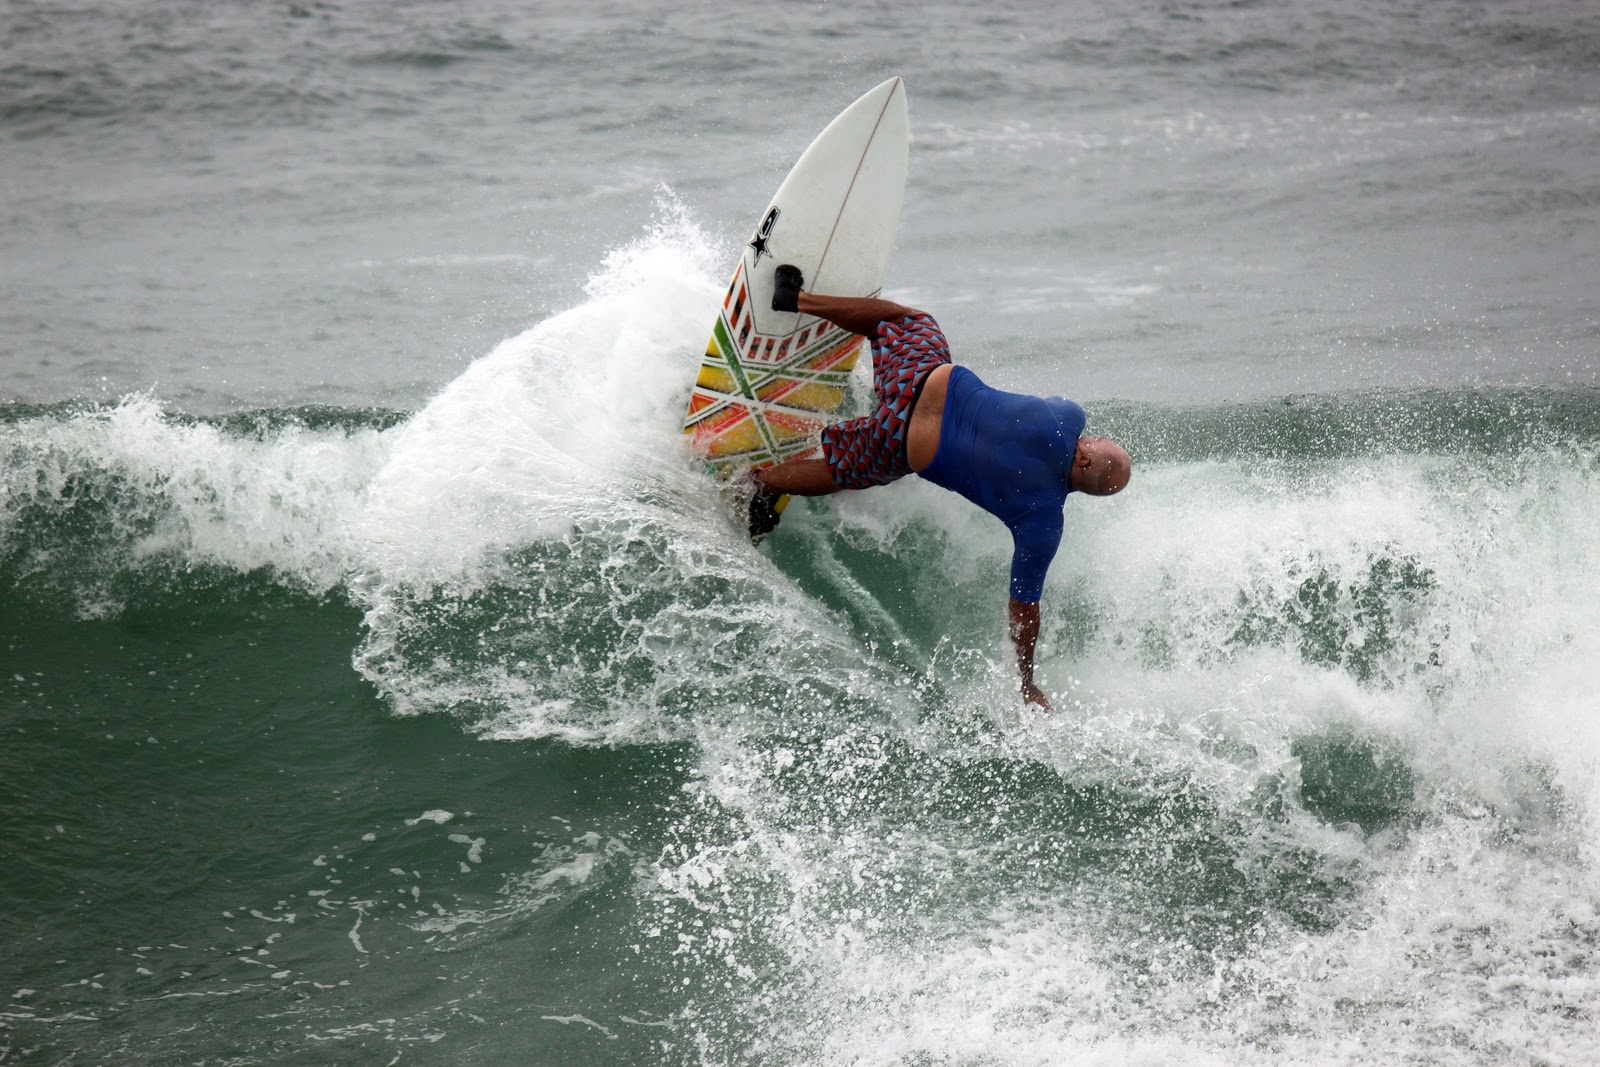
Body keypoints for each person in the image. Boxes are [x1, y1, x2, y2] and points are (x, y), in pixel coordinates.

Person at [751, 264, 1131, 711]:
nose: (1093, 437)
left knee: (907, 319)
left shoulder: (1067, 418)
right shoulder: (1042, 522)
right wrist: (1026, 682)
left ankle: (796, 300)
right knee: (847, 473)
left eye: (1099, 443)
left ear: (1085, 458)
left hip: (920, 380)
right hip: (905, 444)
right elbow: (1025, 612)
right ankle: (763, 487)